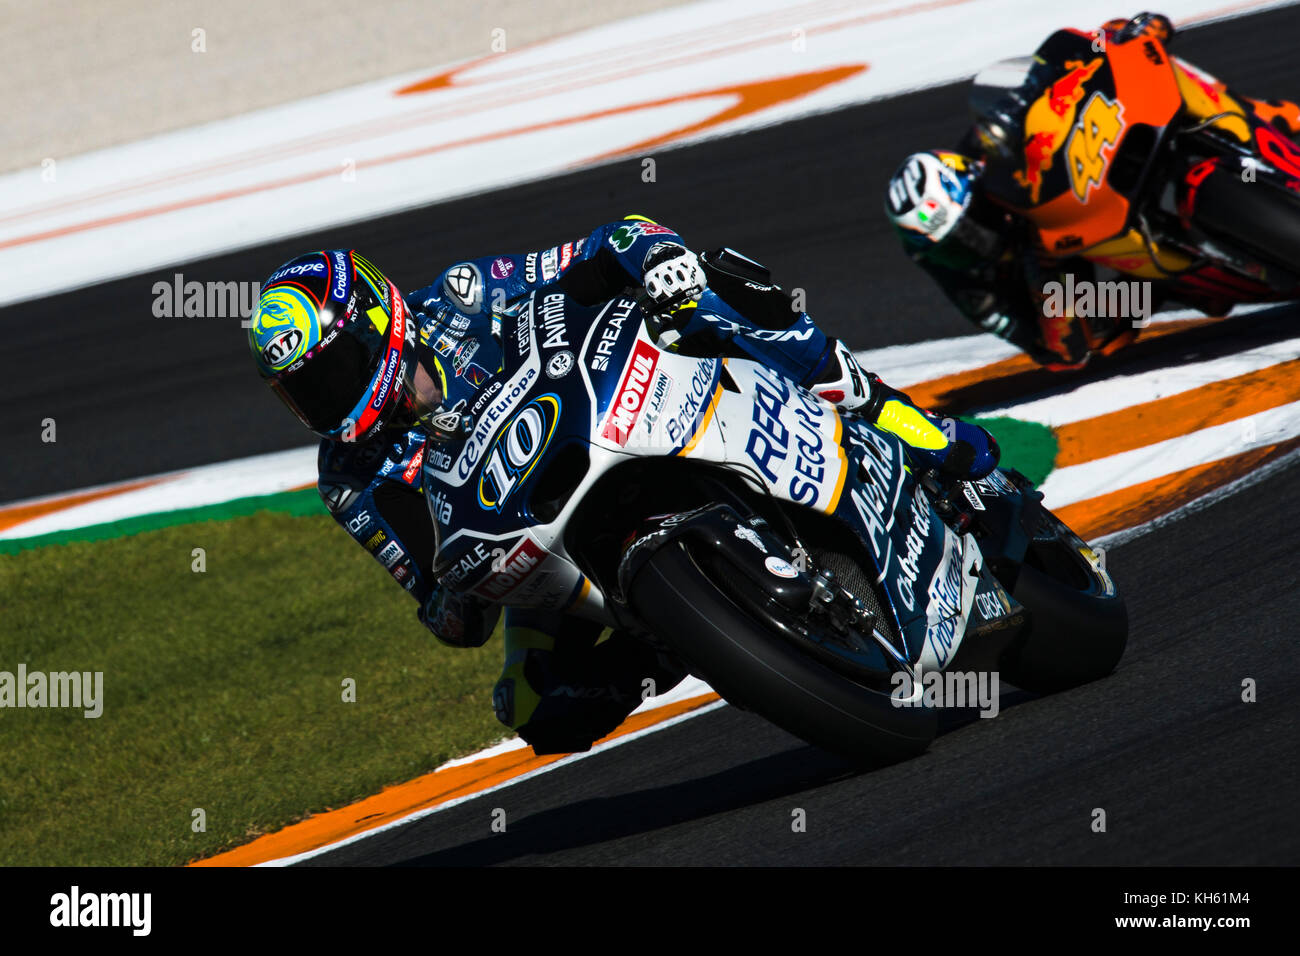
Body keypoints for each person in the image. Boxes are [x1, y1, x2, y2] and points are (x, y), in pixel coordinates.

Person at [247, 216, 999, 754]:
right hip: (538, 537)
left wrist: (659, 260)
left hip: (619, 413)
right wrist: (461, 592)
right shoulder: (349, 477)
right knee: (533, 705)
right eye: (303, 393)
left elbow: (606, 245)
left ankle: (905, 423)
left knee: (719, 285)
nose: (325, 401)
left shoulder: (466, 295)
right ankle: (676, 639)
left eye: (331, 372)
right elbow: (445, 613)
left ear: (379, 321)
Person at [884, 12, 1300, 370]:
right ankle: (1189, 276)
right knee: (1095, 334)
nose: (970, 247)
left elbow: (1044, 74)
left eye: (965, 233)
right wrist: (1042, 276)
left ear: (970, 190)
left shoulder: (985, 153)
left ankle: (1251, 124)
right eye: (952, 247)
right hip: (1055, 266)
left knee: (1238, 102)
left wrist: (1114, 38)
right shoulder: (968, 285)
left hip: (1072, 197)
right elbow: (1055, 351)